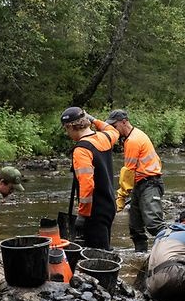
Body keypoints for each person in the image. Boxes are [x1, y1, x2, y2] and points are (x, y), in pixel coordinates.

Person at [60, 106, 120, 249]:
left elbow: (87, 185)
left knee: (98, 254)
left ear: (71, 127)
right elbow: (114, 131)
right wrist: (93, 119)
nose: (67, 133)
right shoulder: (104, 137)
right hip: (110, 204)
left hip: (94, 211)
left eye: (66, 129)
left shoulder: (82, 150)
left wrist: (82, 215)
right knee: (104, 246)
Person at [106, 109, 165, 252]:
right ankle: (141, 256)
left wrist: (121, 197)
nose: (114, 130)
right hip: (140, 183)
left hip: (150, 183)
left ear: (124, 122)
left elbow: (128, 172)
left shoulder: (133, 140)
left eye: (115, 126)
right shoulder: (132, 136)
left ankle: (173, 249)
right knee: (135, 227)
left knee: (154, 224)